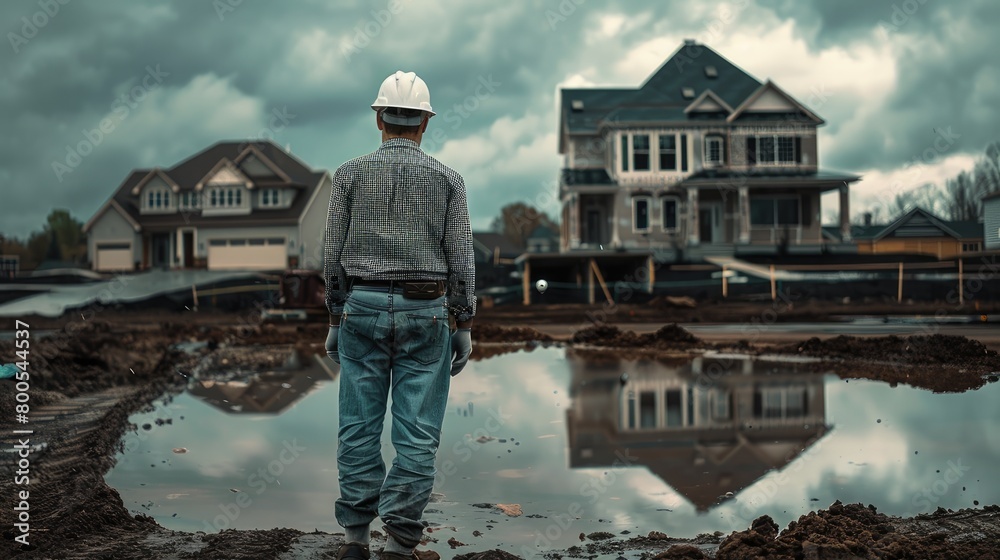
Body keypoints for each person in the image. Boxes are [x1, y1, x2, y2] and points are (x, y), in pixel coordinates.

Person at [323, 70, 476, 560]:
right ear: (425, 124)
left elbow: (332, 256)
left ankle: (354, 541)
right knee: (417, 434)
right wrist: (464, 324)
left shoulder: (347, 175)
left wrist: (333, 318)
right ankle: (399, 544)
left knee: (358, 427)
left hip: (361, 309)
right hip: (427, 312)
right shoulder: (450, 180)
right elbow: (461, 258)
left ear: (378, 118)